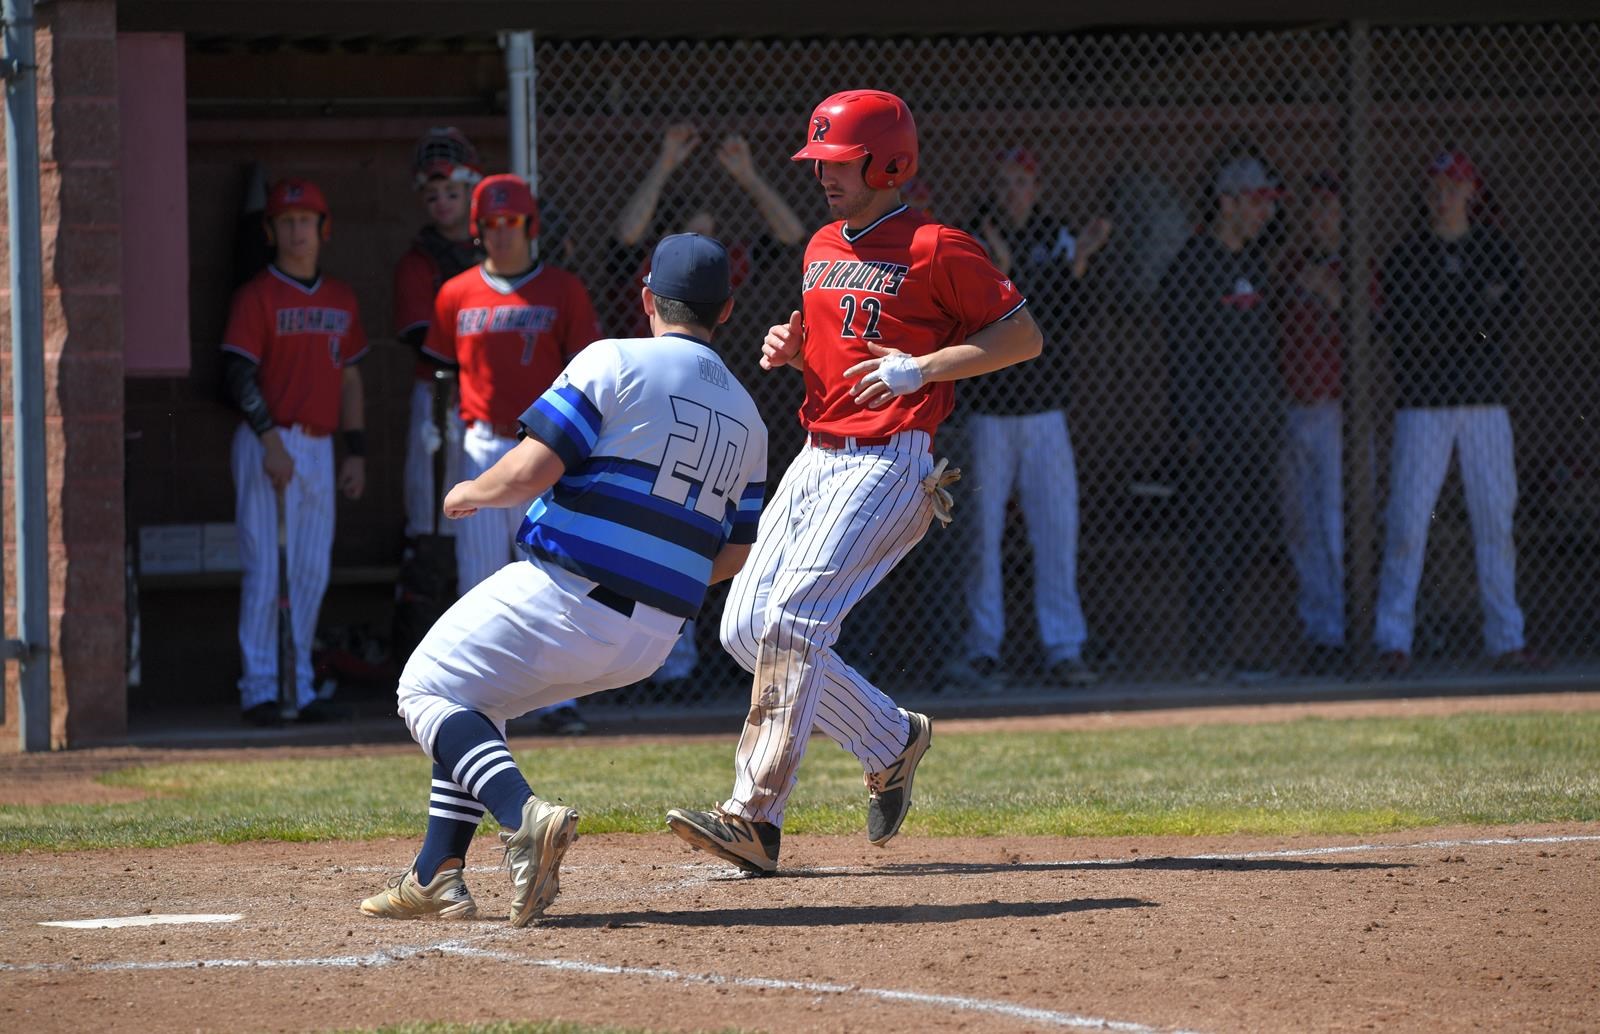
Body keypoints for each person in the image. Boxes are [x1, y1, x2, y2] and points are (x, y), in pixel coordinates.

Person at [665, 90, 1043, 876]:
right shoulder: (820, 245)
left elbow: (1022, 334)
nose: (825, 174)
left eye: (839, 162)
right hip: (817, 454)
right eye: (821, 161)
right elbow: (838, 351)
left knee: (794, 621)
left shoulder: (937, 245)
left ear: (890, 162)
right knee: (745, 630)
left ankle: (754, 818)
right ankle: (890, 739)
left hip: (892, 459)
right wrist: (795, 351)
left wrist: (927, 366)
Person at [358, 233, 767, 926]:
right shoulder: (751, 418)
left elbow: (531, 468)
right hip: (653, 638)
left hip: (569, 591)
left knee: (423, 686)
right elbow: (735, 554)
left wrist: (470, 494)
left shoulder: (614, 359)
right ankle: (436, 873)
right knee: (476, 696)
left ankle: (523, 817)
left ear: (646, 298)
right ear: (726, 311)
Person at [608, 125, 807, 689]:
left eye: (709, 244)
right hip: (641, 412)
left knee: (685, 525)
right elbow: (625, 236)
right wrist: (665, 164)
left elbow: (791, 239)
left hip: (695, 416)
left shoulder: (720, 281)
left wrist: (747, 177)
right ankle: (634, 667)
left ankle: (674, 670)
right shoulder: (643, 275)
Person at [1372, 151, 1544, 674]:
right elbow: (1410, 330)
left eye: (1454, 187)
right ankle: (1392, 640)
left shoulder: (1496, 248)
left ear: (1472, 192)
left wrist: (1454, 320)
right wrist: (1472, 312)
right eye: (1436, 187)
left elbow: (1502, 322)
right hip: (1424, 405)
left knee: (1495, 518)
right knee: (1407, 521)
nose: (1443, 196)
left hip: (1485, 404)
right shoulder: (1406, 256)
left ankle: (1505, 639)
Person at [948, 145, 1111, 691]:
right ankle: (984, 648)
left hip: (1046, 412)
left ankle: (1064, 645)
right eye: (1007, 181)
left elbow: (1062, 320)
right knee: (982, 535)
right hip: (989, 411)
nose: (1014, 191)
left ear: (1036, 188)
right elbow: (973, 316)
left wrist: (1078, 264)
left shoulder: (1056, 234)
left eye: (1023, 181)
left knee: (1056, 530)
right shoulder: (975, 234)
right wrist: (1008, 271)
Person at [220, 178, 368, 726]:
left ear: (323, 229)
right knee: (266, 569)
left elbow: (350, 381)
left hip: (320, 445)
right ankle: (260, 687)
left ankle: (297, 685)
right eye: (287, 222)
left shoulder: (341, 298)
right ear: (271, 230)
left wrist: (356, 452)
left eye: (306, 220)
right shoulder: (256, 294)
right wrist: (268, 440)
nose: (297, 231)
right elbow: (238, 373)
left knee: (309, 570)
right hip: (269, 441)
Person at [423, 174, 604, 596]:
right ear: (478, 230)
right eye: (491, 223)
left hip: (545, 446)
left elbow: (588, 376)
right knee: (478, 579)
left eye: (511, 222)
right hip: (479, 446)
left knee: (545, 581)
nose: (501, 233)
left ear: (529, 225)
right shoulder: (455, 293)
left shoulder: (564, 290)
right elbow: (439, 374)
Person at [1159, 154, 1284, 681]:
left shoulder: (1255, 262)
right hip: (1213, 433)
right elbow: (1183, 353)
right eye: (1253, 202)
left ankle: (1224, 652)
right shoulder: (1194, 265)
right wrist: (1190, 427)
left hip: (1256, 430)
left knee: (1244, 538)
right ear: (1227, 202)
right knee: (1211, 540)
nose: (1261, 213)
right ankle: (1206, 658)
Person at [393, 128, 484, 545]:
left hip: (485, 392)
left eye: (451, 191)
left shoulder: (495, 249)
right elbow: (417, 333)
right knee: (429, 504)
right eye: (433, 196)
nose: (442, 203)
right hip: (437, 390)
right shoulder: (420, 258)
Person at [1278, 171, 1348, 674]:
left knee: (1336, 521)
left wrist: (1331, 294)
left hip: (1338, 410)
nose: (1319, 217)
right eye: (1314, 208)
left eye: (1328, 208)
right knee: (1301, 525)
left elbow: (1370, 323)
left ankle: (1349, 629)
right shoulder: (1291, 264)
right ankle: (1320, 632)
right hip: (1292, 404)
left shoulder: (1356, 263)